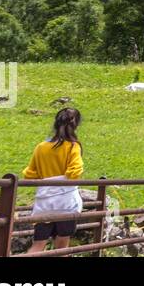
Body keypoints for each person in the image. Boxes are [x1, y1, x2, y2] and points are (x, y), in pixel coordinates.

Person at [23, 107, 85, 253]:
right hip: (66, 203)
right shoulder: (73, 146)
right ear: (76, 125)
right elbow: (74, 172)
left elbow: (30, 174)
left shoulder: (41, 147)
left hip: (44, 202)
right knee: (62, 248)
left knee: (38, 246)